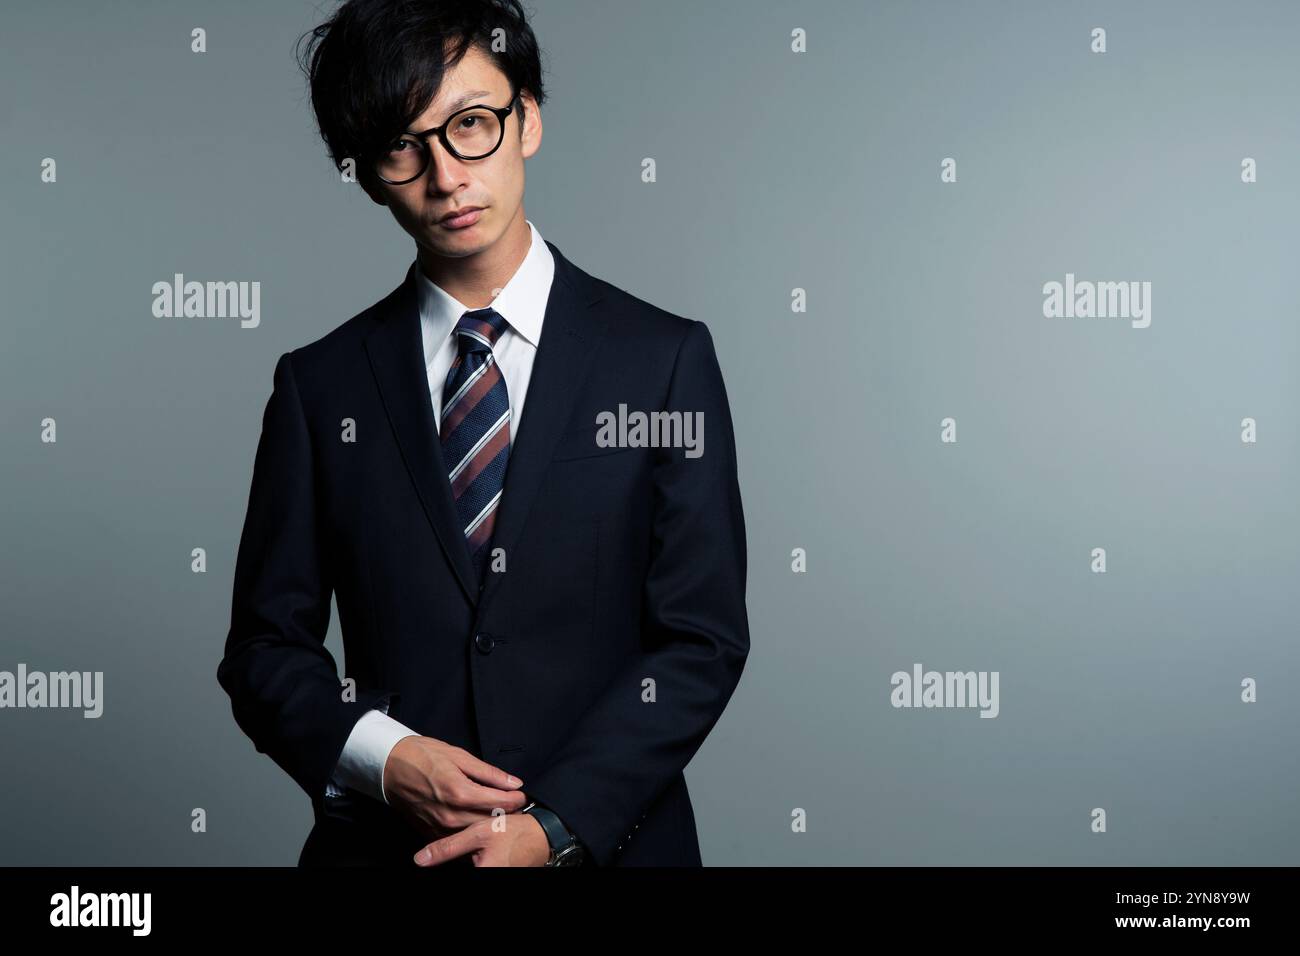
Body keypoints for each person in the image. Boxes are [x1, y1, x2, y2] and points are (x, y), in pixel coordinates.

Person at [217, 0, 749, 867]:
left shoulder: (663, 361)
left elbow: (701, 639)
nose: (447, 175)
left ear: (527, 118)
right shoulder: (319, 387)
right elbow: (264, 649)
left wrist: (556, 825)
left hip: (616, 848)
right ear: (364, 171)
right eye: (402, 146)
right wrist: (384, 758)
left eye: (471, 125)